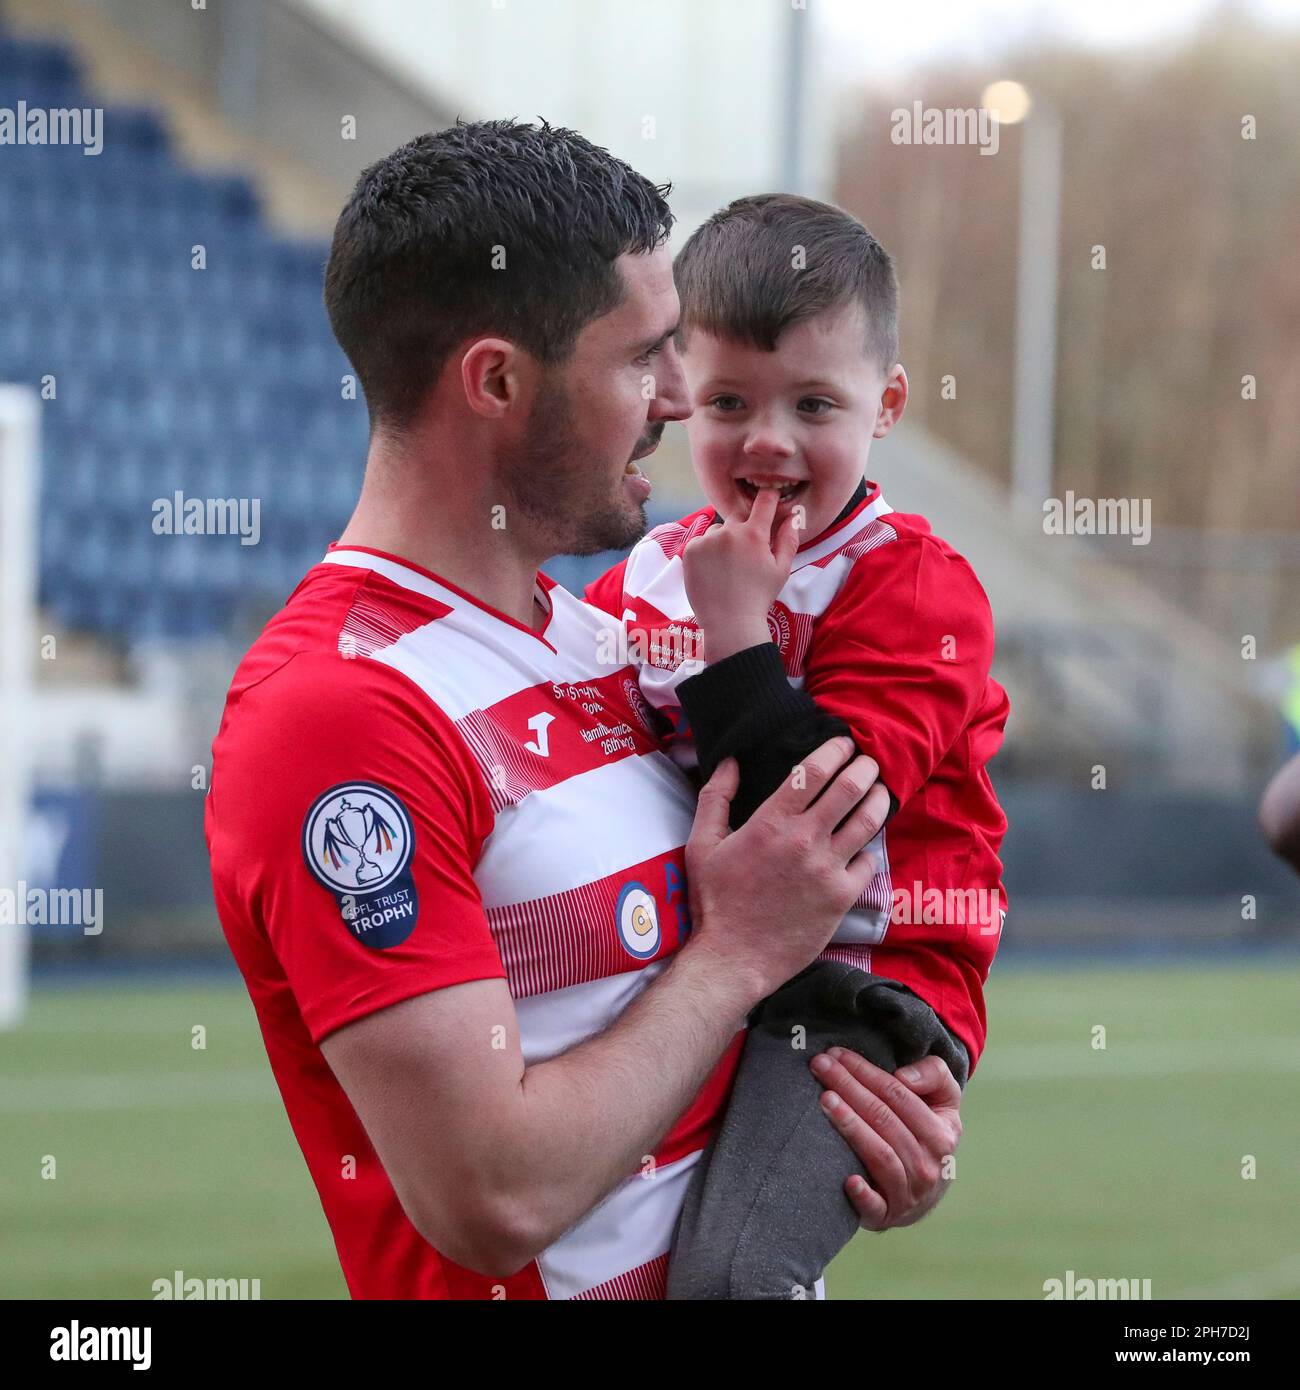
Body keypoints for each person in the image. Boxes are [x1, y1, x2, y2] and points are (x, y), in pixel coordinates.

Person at [204, 122, 966, 1300]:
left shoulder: (605, 637)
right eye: (643, 357)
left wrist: (854, 1131)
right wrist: (738, 952)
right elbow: (492, 1196)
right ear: (498, 380)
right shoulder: (343, 711)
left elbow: (703, 1012)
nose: (680, 399)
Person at [584, 194, 1009, 1298]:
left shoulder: (919, 586)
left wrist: (734, 637)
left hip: (856, 989)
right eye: (730, 401)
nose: (767, 440)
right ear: (678, 396)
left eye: (813, 403)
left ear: (887, 406)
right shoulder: (641, 571)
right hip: (694, 959)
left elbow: (825, 826)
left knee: (732, 1276)